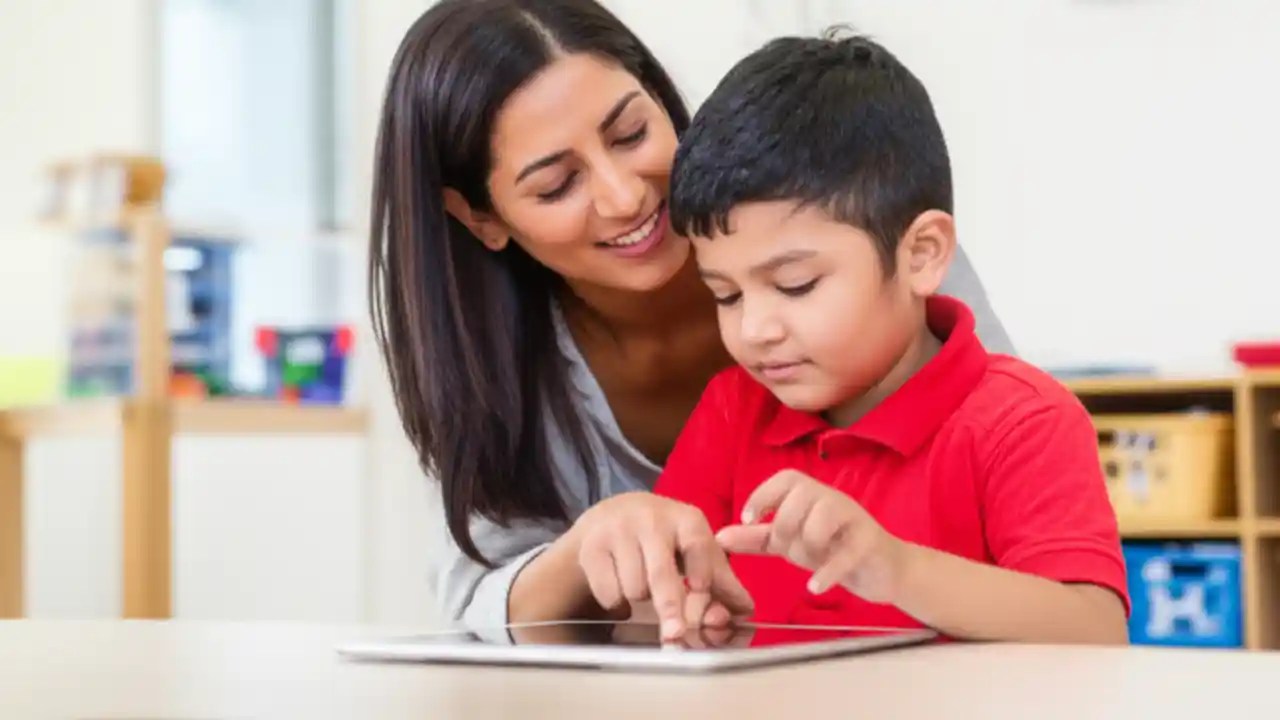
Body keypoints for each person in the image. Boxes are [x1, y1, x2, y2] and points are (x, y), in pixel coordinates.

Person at [368, 0, 1014, 635]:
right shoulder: (484, 359)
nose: (625, 196)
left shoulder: (856, 235)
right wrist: (594, 551)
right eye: (557, 185)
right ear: (480, 217)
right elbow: (483, 594)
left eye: (631, 135)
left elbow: (1016, 467)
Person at [572, 31, 1130, 645]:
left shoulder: (1022, 421)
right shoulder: (734, 412)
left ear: (921, 255)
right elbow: (644, 630)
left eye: (796, 285)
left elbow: (1097, 633)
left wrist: (896, 570)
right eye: (726, 295)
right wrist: (671, 607)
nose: (754, 330)